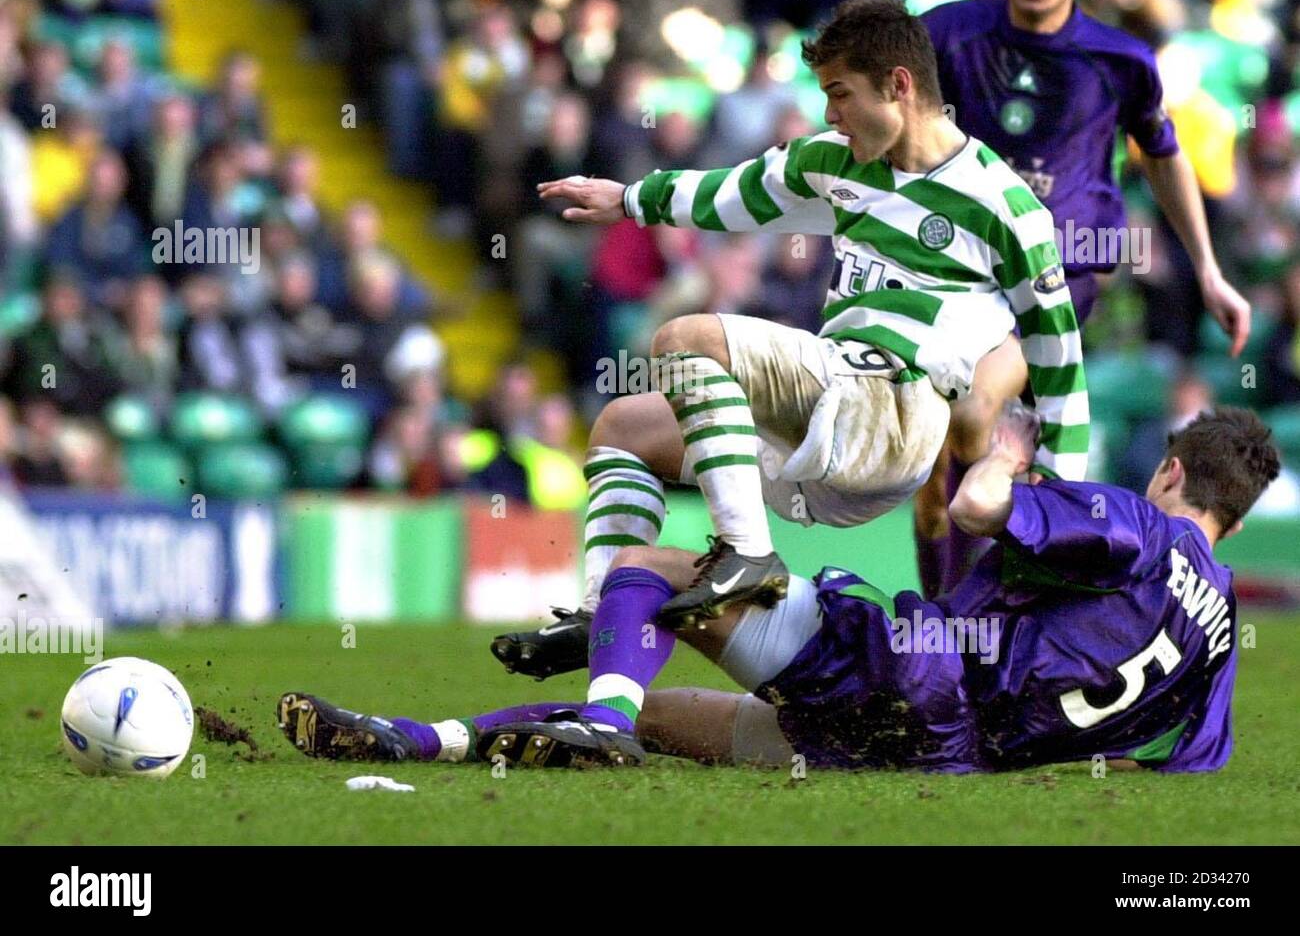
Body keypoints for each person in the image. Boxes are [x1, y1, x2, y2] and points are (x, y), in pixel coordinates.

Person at [493, 0, 1088, 677]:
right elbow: (735, 193)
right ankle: (604, 617)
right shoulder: (834, 161)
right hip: (828, 431)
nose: (830, 113)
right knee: (623, 424)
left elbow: (1058, 357)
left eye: (841, 93)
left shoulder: (1005, 205)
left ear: (899, 85)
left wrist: (1062, 502)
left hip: (896, 409)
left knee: (684, 337)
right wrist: (630, 199)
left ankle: (747, 553)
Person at [277, 403, 1277, 773]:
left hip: (913, 676)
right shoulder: (1222, 624)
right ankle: (425, 740)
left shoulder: (1143, 525)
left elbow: (985, 508)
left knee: (651, 567)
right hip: (937, 760)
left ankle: (601, 666)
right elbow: (1191, 765)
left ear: (1174, 474)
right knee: (667, 715)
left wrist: (993, 463)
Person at [914, 0, 1252, 595]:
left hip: (1059, 279)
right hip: (955, 279)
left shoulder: (1119, 59)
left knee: (974, 411)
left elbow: (1163, 156)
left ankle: (967, 631)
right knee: (928, 487)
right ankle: (947, 623)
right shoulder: (947, 36)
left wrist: (1210, 271)